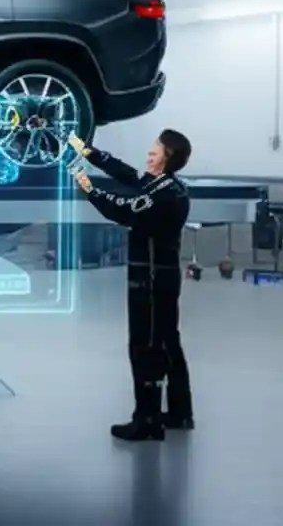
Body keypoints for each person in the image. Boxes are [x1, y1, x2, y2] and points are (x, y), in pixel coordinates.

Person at [68, 130, 194, 442]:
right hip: (161, 277)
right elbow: (124, 172)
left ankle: (147, 420)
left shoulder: (162, 195)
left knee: (145, 345)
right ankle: (179, 412)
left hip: (149, 281)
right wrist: (87, 151)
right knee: (167, 341)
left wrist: (89, 189)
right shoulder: (167, 186)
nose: (149, 154)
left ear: (168, 156)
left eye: (155, 150)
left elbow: (124, 209)